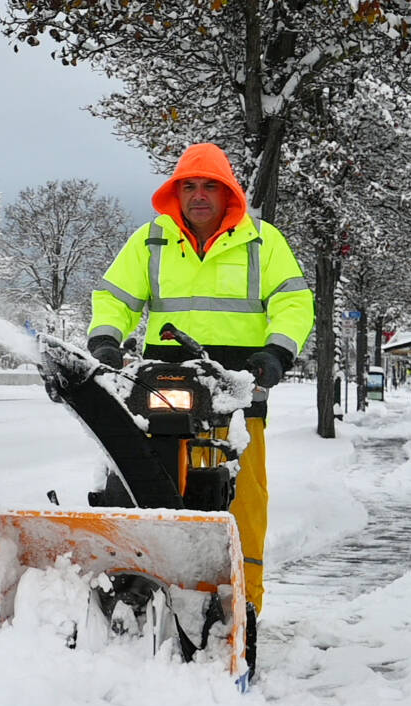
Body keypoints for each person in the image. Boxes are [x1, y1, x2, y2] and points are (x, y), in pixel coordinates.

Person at [86, 142, 314, 617]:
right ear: (175, 193)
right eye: (189, 186)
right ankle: (140, 587)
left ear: (228, 191)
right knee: (148, 487)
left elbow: (294, 304)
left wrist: (275, 353)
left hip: (237, 391)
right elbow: (115, 297)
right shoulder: (151, 240)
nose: (199, 196)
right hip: (161, 389)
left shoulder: (262, 242)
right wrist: (107, 340)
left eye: (210, 186)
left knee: (244, 501)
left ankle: (243, 604)